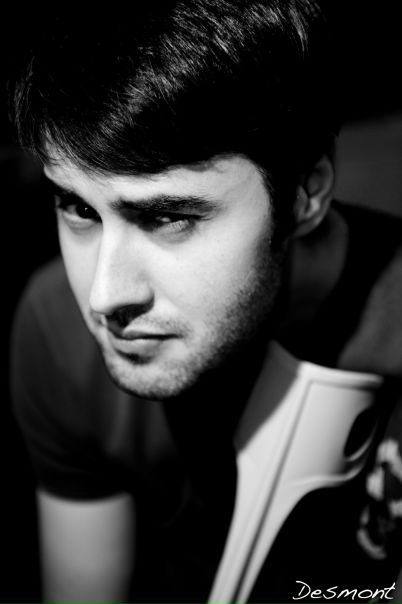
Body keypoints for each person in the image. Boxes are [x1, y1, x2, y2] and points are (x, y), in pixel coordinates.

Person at [7, 1, 402, 602]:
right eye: (79, 208)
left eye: (169, 217)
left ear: (306, 194)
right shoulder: (56, 328)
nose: (105, 296)